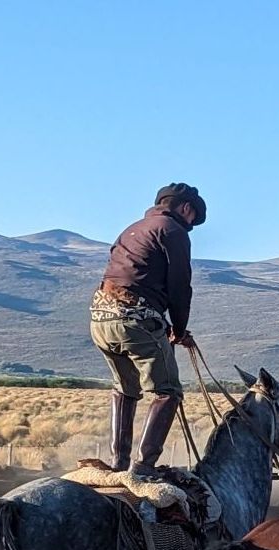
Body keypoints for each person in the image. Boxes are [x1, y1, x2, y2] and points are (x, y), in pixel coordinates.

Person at [91, 182, 206, 478]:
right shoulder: (173, 231)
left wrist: (164, 325)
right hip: (135, 319)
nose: (192, 224)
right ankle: (142, 469)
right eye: (194, 217)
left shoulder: (132, 229)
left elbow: (132, 278)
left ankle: (118, 462)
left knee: (125, 388)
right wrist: (178, 330)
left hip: (101, 318)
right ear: (186, 208)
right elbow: (180, 286)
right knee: (168, 392)